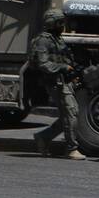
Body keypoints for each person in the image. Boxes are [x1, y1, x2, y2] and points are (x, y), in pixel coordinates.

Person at [31, 9, 85, 160]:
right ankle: (71, 148)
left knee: (68, 116)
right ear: (52, 23)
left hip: (64, 81)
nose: (63, 25)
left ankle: (43, 137)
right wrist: (62, 68)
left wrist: (72, 71)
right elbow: (43, 63)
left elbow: (64, 58)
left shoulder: (57, 38)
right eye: (60, 22)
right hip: (55, 82)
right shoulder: (44, 40)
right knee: (71, 113)